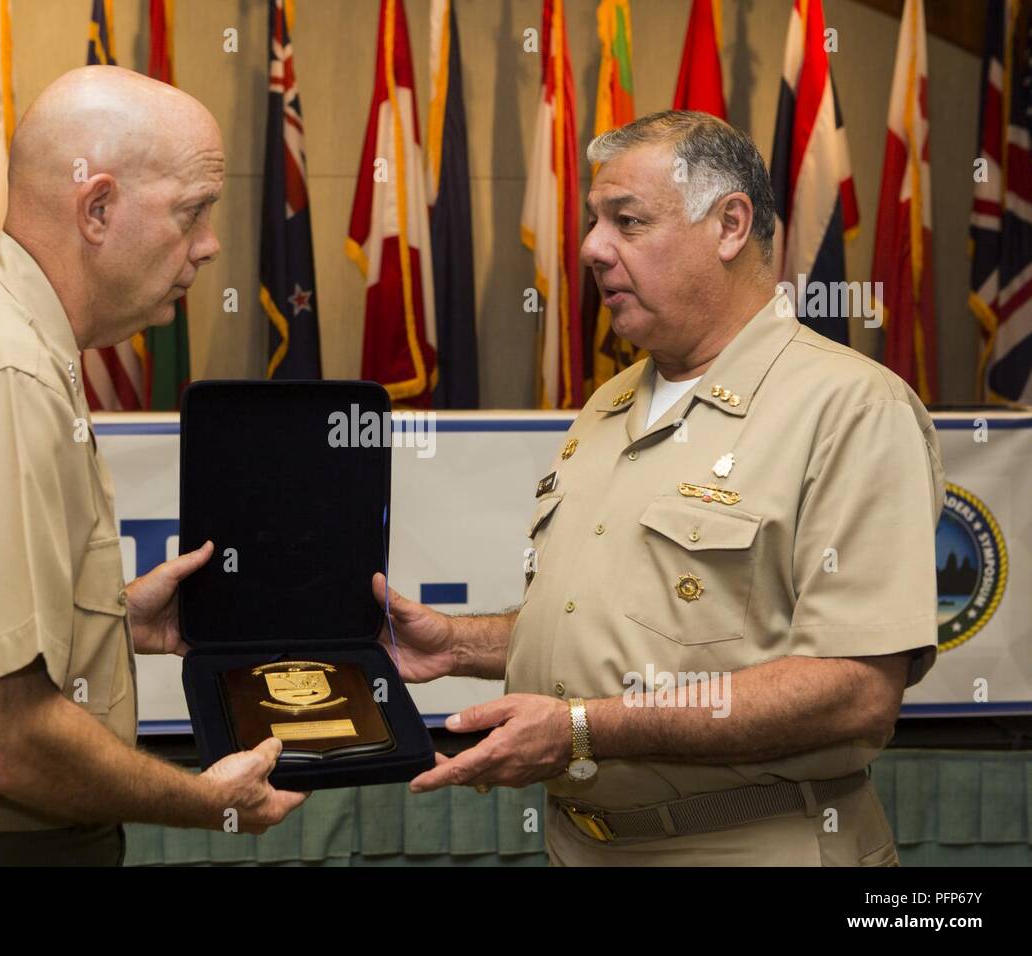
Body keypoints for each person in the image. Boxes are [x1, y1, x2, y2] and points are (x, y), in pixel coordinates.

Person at [374, 111, 944, 866]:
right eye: (592, 221)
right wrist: (457, 645)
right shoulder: (608, 406)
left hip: (749, 845)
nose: (589, 249)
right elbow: (626, 629)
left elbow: (853, 690)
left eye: (627, 221)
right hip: (581, 846)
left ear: (730, 225)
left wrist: (582, 729)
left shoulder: (850, 408)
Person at [0, 66, 305, 866]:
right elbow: (2, 737)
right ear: (98, 208)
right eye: (192, 211)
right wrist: (204, 802)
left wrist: (102, 622)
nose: (211, 244)